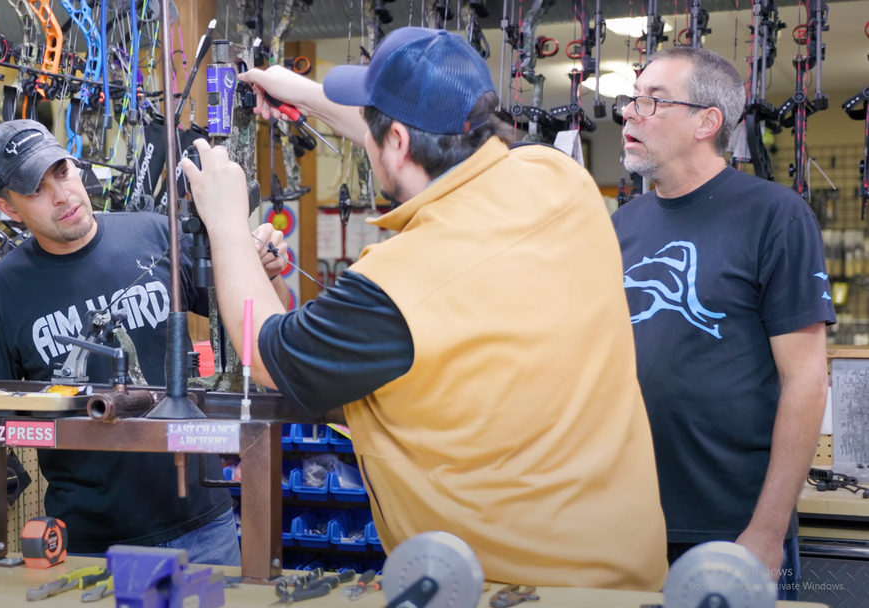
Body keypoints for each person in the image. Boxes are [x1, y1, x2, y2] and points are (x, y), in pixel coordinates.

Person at [180, 27, 667, 590]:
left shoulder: (395, 285)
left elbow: (266, 350)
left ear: (398, 140)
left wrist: (225, 221)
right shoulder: (559, 179)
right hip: (630, 575)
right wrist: (304, 94)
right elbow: (411, 141)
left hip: (506, 588)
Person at [0, 119, 291, 563]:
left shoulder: (156, 234)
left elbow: (263, 331)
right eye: (35, 190)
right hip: (88, 542)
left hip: (204, 528)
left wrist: (268, 273)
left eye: (62, 172)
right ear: (7, 207)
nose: (62, 195)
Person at [610, 46, 834, 600]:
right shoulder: (621, 225)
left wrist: (768, 529)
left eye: (654, 100)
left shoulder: (774, 215)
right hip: (628, 521)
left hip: (733, 525)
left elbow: (806, 379)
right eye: (632, 99)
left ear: (707, 122)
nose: (630, 112)